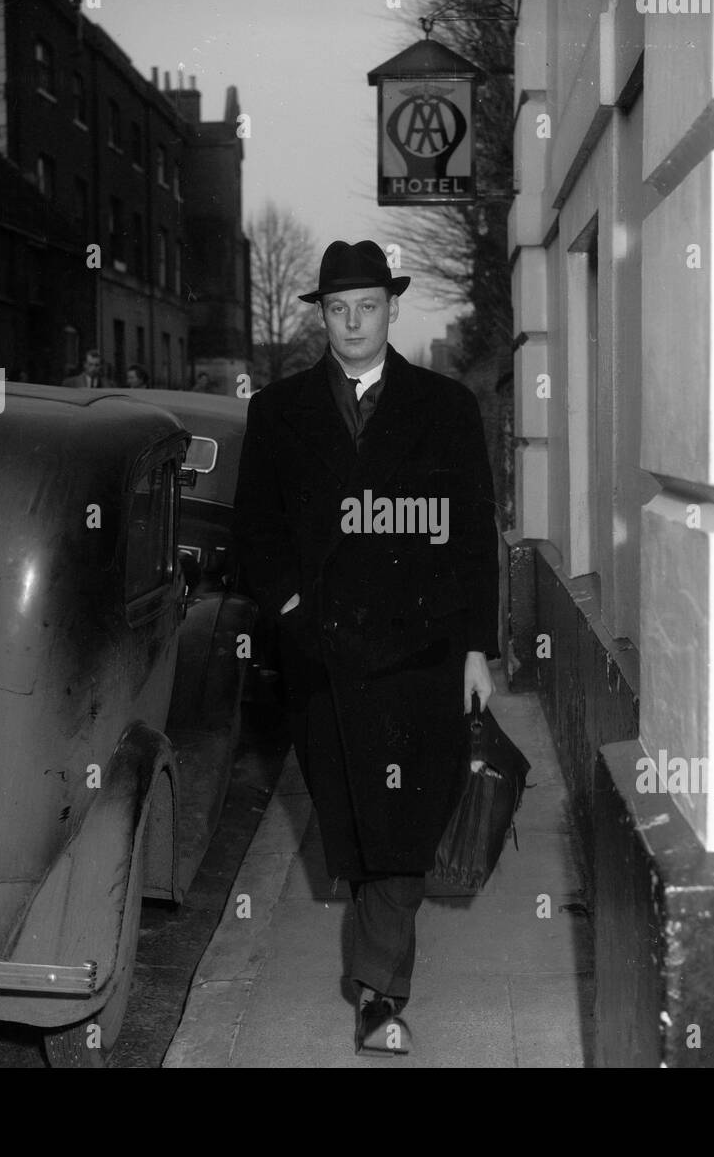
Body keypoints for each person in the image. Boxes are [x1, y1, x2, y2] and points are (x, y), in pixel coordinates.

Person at [233, 239, 498, 1056]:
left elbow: (473, 540)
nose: (353, 322)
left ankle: (381, 996)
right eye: (338, 309)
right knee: (352, 822)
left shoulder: (447, 409)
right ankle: (374, 974)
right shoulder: (277, 413)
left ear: (392, 309)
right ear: (323, 315)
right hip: (324, 663)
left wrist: (479, 650)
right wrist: (291, 609)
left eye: (368, 307)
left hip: (422, 654)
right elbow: (255, 535)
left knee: (406, 827)